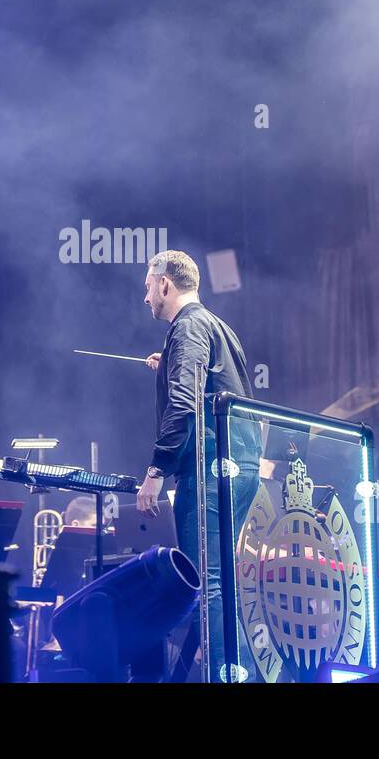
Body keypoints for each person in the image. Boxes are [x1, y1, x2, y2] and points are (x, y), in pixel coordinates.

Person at [134, 250, 259, 680]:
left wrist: (155, 473)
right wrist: (169, 365)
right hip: (238, 466)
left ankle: (227, 676)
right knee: (221, 581)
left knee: (208, 583)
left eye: (148, 285)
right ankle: (237, 673)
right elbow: (211, 387)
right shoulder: (216, 326)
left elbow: (185, 403)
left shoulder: (187, 327)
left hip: (210, 469)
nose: (146, 295)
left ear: (165, 283)